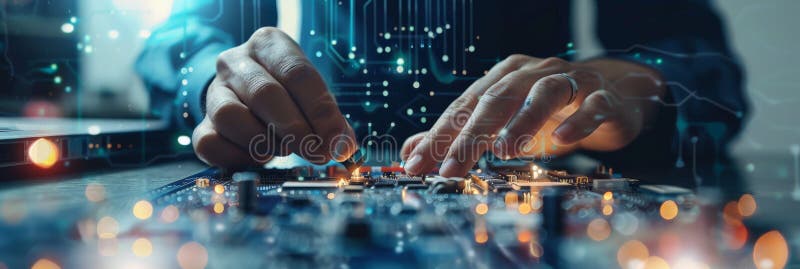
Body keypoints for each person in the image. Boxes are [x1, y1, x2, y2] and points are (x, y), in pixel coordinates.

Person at [137, 0, 747, 178]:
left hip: (533, 168)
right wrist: (218, 85)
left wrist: (630, 87)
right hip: (305, 163)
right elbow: (190, 34)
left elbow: (697, 57)